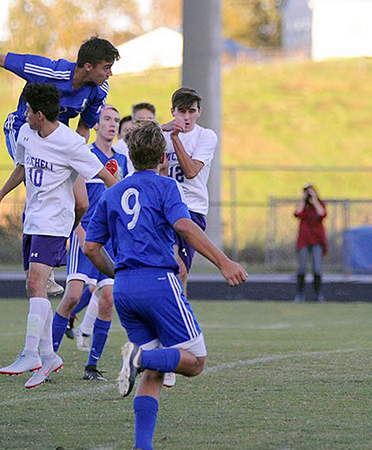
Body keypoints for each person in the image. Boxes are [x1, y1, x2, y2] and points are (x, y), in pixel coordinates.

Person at [82, 120, 247, 450]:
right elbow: (184, 225)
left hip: (125, 289)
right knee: (195, 361)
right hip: (158, 282)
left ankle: (142, 445)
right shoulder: (166, 186)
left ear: (130, 155)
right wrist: (223, 262)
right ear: (162, 157)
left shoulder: (112, 193)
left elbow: (90, 247)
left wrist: (118, 272)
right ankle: (138, 357)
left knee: (155, 372)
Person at [0, 36, 120, 297]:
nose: (110, 73)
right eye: (106, 67)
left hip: (58, 142)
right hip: (22, 130)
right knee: (39, 184)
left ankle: (52, 252)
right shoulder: (47, 70)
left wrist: (75, 155)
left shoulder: (99, 90)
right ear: (88, 66)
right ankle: (40, 265)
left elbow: (84, 128)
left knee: (81, 203)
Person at [0, 83, 118, 389]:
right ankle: (48, 356)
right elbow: (21, 167)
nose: (24, 114)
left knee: (35, 285)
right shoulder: (26, 133)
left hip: (54, 223)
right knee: (34, 289)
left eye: (28, 111)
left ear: (39, 115)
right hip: (32, 220)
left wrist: (121, 214)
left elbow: (108, 178)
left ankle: (31, 353)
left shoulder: (71, 144)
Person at [50, 105, 128, 382]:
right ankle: (48, 359)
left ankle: (91, 366)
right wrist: (79, 230)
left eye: (116, 120)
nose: (112, 124)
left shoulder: (122, 160)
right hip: (86, 235)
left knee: (107, 299)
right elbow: (76, 197)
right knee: (73, 296)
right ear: (96, 124)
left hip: (110, 241)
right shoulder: (85, 153)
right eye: (106, 119)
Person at [160, 88, 218, 292]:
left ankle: (178, 307)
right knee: (169, 268)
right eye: (182, 111)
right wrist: (162, 128)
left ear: (199, 112)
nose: (186, 117)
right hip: (165, 208)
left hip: (192, 208)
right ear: (172, 111)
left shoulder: (206, 136)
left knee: (181, 272)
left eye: (191, 111)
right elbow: (133, 140)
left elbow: (191, 171)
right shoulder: (161, 135)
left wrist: (175, 138)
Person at [293, 183, 328, 303]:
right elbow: (297, 213)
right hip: (304, 240)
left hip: (316, 240)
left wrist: (314, 199)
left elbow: (322, 214)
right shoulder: (303, 206)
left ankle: (318, 294)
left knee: (317, 268)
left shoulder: (320, 205)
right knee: (302, 268)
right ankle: (300, 294)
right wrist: (303, 199)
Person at [114, 102, 157, 176]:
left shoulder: (159, 143)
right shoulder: (120, 146)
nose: (145, 125)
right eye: (140, 120)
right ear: (133, 121)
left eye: (149, 120)